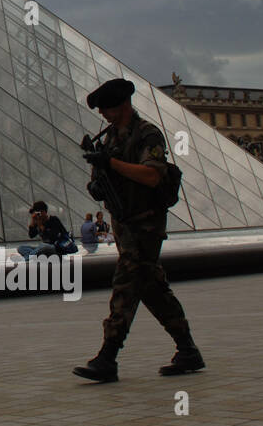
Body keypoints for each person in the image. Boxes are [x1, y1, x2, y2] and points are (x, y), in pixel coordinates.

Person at [73, 78, 203, 383]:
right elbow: (104, 177)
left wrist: (112, 163)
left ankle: (108, 356)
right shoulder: (109, 138)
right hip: (124, 223)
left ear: (123, 105)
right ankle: (188, 349)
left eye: (107, 107)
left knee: (127, 282)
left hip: (145, 222)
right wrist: (96, 182)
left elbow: (151, 176)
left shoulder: (147, 134)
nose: (103, 113)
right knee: (152, 287)